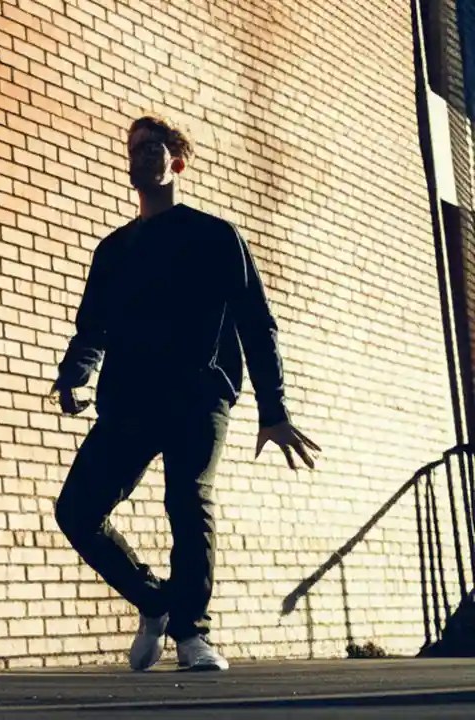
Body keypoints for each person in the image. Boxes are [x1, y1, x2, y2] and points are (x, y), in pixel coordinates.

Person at [49, 115, 321, 672]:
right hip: (129, 400)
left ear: (177, 161)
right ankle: (156, 602)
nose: (139, 156)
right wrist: (75, 374)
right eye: (132, 149)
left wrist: (274, 409)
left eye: (151, 147)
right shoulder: (114, 251)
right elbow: (93, 328)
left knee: (187, 500)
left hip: (199, 396)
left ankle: (192, 636)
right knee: (77, 510)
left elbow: (256, 320)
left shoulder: (214, 236)